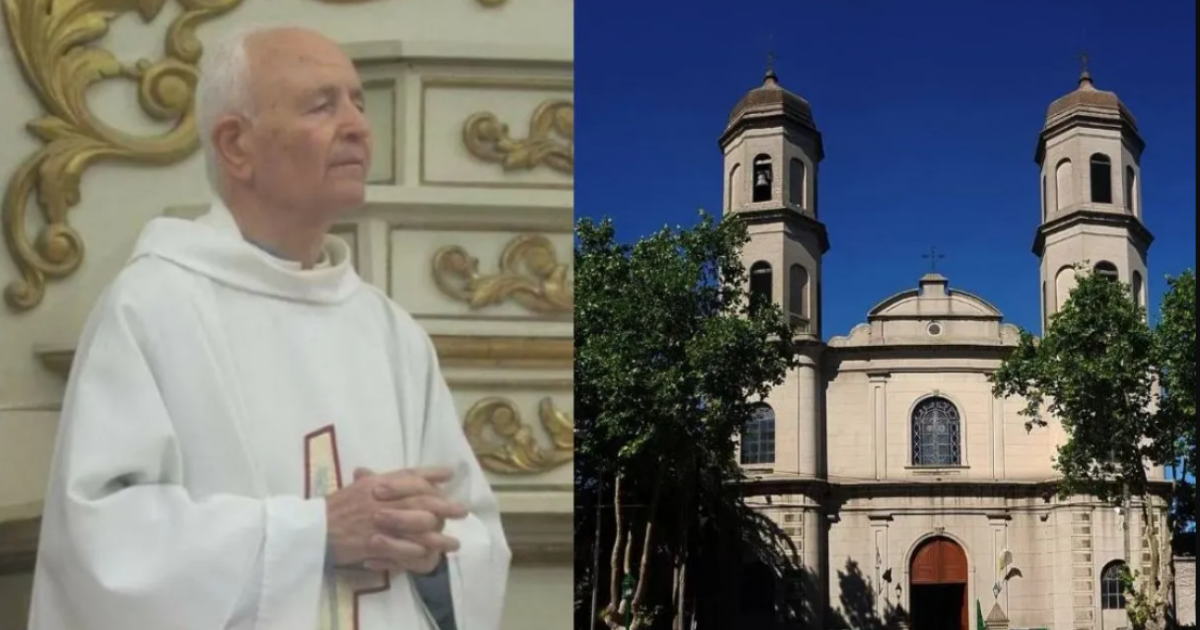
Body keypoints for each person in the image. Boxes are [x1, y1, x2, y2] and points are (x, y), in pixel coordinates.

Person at [26, 25, 510, 630]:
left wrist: (431, 549)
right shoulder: (153, 306)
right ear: (235, 145)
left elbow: (472, 528)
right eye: (322, 105)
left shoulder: (389, 332)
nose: (359, 124)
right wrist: (314, 534)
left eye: (358, 102)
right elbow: (101, 547)